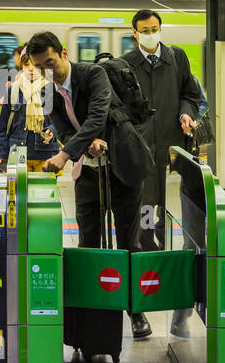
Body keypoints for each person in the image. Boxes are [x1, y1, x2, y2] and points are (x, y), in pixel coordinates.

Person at [122, 8, 203, 339]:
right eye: (145, 29)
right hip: (140, 159)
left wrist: (185, 115)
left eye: (156, 28)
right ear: (135, 33)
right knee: (143, 226)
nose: (151, 34)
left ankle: (176, 297)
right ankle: (142, 303)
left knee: (181, 228)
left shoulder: (177, 58)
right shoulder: (124, 64)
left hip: (173, 153)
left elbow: (191, 94)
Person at [26, 31, 142, 253]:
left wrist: (64, 154)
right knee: (87, 243)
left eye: (50, 63)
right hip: (87, 170)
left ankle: (128, 286)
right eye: (39, 67)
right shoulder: (46, 92)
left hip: (123, 165)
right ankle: (90, 287)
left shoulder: (93, 74)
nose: (47, 72)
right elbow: (63, 131)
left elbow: (97, 116)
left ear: (64, 54)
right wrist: (86, 145)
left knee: (129, 243)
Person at [0, 47, 59, 173]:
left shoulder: (52, 90)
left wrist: (51, 131)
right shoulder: (13, 91)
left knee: (43, 192)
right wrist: (2, 154)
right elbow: (3, 127)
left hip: (46, 156)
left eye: (35, 64)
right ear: (21, 67)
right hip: (17, 156)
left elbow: (62, 122)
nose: (31, 69)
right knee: (18, 192)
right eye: (26, 65)